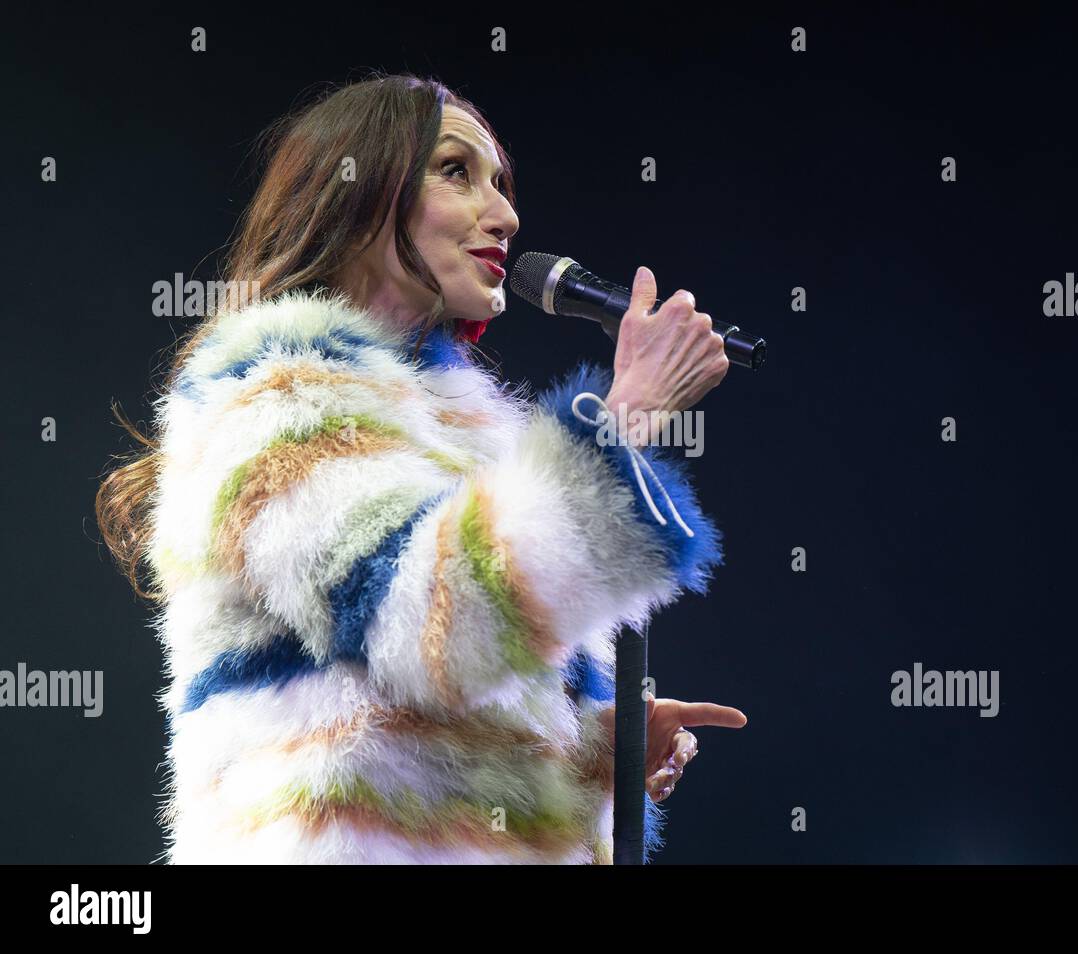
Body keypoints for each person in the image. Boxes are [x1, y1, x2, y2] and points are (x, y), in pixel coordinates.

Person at [94, 73, 747, 864]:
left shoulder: (461, 427)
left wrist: (592, 749)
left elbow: (450, 706)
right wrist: (628, 415)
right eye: (455, 172)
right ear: (360, 193)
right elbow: (435, 619)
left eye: (501, 185)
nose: (505, 216)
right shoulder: (276, 385)